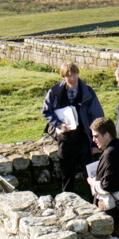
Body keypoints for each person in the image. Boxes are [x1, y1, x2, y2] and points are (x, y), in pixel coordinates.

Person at [42, 62, 104, 194]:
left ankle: (97, 206)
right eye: (68, 75)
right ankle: (67, 207)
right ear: (63, 77)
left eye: (74, 74)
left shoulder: (87, 91)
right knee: (67, 178)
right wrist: (58, 124)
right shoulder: (54, 92)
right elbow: (46, 112)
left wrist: (94, 142)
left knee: (91, 177)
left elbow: (97, 117)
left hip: (84, 141)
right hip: (65, 142)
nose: (72, 78)